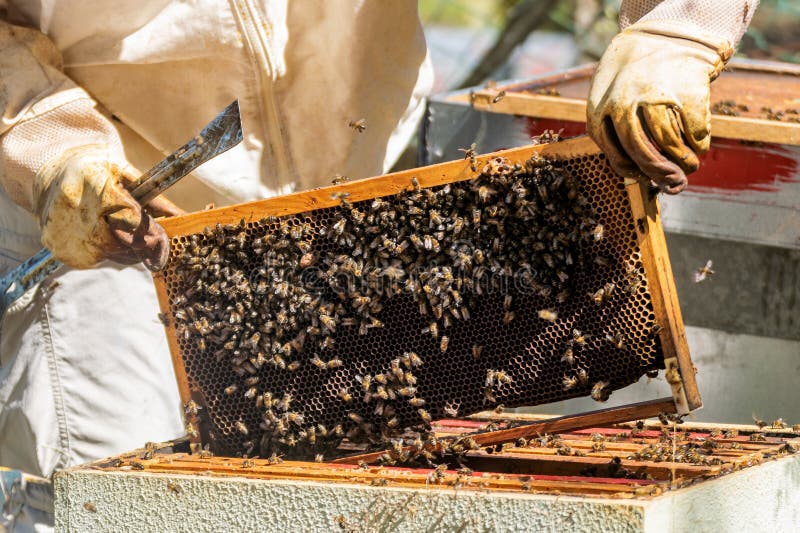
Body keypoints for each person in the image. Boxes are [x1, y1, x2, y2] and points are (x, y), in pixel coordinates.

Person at [0, 0, 757, 530]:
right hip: (113, 224)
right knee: (128, 511)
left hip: (358, 214)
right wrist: (49, 141)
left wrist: (678, 28)